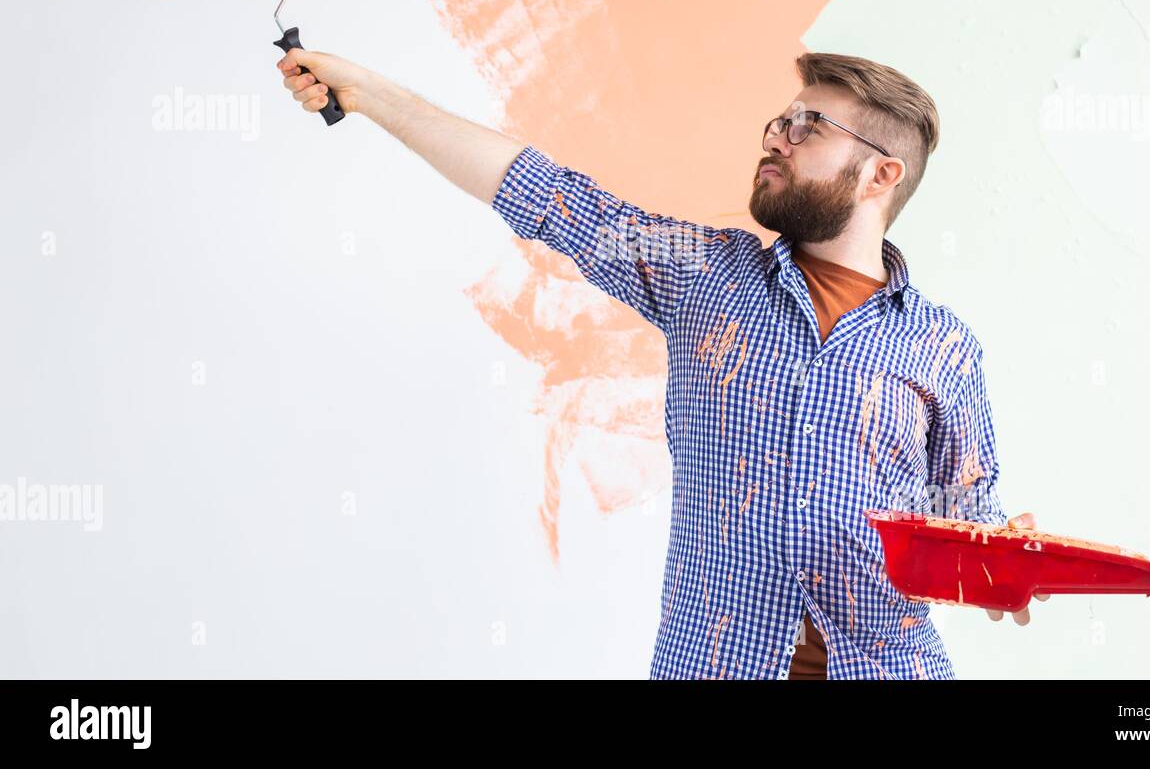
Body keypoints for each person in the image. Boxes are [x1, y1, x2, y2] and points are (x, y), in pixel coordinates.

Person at [275, 48, 1046, 679]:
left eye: (809, 127)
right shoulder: (703, 273)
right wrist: (371, 93)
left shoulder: (945, 348)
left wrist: (999, 564)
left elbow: (963, 514)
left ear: (881, 174)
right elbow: (545, 196)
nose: (776, 136)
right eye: (781, 120)